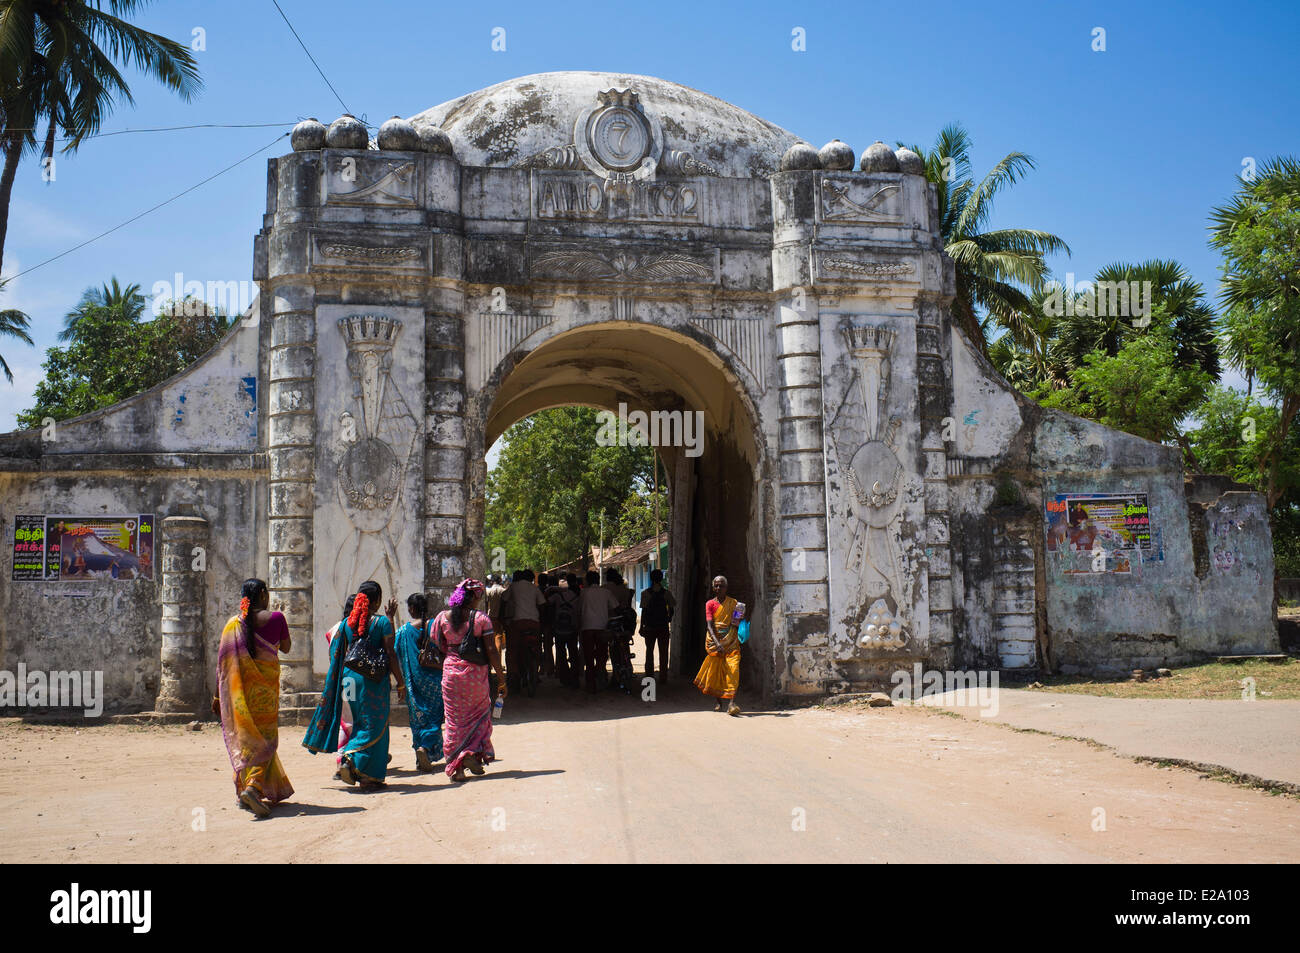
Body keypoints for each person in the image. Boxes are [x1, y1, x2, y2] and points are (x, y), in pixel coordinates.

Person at [303, 580, 405, 788]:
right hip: (371, 681)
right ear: (376, 600)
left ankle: (365, 773)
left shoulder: (346, 624)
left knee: (357, 723)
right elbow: (391, 653)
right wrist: (400, 682)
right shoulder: (382, 623)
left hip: (348, 679)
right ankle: (351, 761)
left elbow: (337, 653)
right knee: (375, 725)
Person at [215, 578, 294, 818]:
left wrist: (217, 697)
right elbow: (287, 648)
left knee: (247, 739)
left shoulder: (232, 625)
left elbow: (222, 667)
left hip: (241, 696)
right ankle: (253, 787)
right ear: (262, 594)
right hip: (265, 694)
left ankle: (243, 792)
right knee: (266, 741)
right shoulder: (277, 619)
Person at [433, 579, 505, 782]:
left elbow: (439, 645)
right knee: (479, 716)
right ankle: (470, 753)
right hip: (475, 677)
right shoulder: (482, 619)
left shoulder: (442, 618)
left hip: (450, 676)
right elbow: (491, 650)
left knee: (454, 722)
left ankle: (457, 768)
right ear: (474, 596)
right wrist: (501, 679)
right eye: (480, 595)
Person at [393, 592, 444, 772]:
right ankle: (426, 748)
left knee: (418, 719)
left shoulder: (404, 631)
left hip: (414, 682)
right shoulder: (434, 626)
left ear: (411, 609)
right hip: (435, 681)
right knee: (435, 718)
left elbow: (392, 648)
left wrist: (390, 618)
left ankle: (419, 754)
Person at [694, 575, 744, 716]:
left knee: (733, 670)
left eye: (721, 585)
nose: (718, 588)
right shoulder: (710, 604)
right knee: (717, 672)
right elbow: (709, 625)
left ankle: (732, 703)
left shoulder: (734, 603)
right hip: (715, 642)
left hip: (731, 641)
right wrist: (717, 643)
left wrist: (741, 618)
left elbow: (736, 623)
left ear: (726, 588)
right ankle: (719, 701)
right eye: (716, 585)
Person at [501, 569, 546, 696]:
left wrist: (502, 618)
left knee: (512, 652)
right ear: (532, 578)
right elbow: (542, 605)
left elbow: (503, 600)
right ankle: (535, 672)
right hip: (534, 623)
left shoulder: (513, 587)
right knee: (537, 648)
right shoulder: (535, 588)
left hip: (518, 623)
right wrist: (541, 621)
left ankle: (514, 677)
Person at [579, 569, 620, 693]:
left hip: (587, 628)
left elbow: (579, 609)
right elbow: (616, 607)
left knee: (589, 657)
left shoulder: (583, 593)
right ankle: (600, 678)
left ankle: (590, 684)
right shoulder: (606, 593)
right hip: (602, 628)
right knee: (601, 656)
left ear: (588, 581)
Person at [639, 568, 675, 683]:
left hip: (650, 627)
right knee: (663, 653)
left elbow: (644, 611)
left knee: (649, 652)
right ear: (661, 578)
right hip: (663, 626)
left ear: (651, 578)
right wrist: (668, 619)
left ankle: (649, 676)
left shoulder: (645, 593)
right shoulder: (666, 593)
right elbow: (672, 608)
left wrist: (641, 627)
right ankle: (663, 677)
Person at [604, 570, 636, 693]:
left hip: (611, 622)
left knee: (613, 649)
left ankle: (615, 675)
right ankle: (628, 665)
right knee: (625, 645)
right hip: (626, 622)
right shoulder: (624, 588)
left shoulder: (605, 588)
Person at [548, 574, 582, 688]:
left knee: (561, 653)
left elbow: (546, 602)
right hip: (572, 628)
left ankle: (564, 677)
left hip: (559, 629)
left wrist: (551, 589)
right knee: (573, 652)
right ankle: (575, 677)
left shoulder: (557, 596)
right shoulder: (577, 597)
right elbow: (579, 613)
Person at [485, 574, 507, 652]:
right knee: (499, 637)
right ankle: (497, 660)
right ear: (500, 581)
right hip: (500, 617)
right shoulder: (503, 591)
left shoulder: (488, 591)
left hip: (491, 616)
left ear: (492, 581)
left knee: (491, 637)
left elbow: (486, 604)